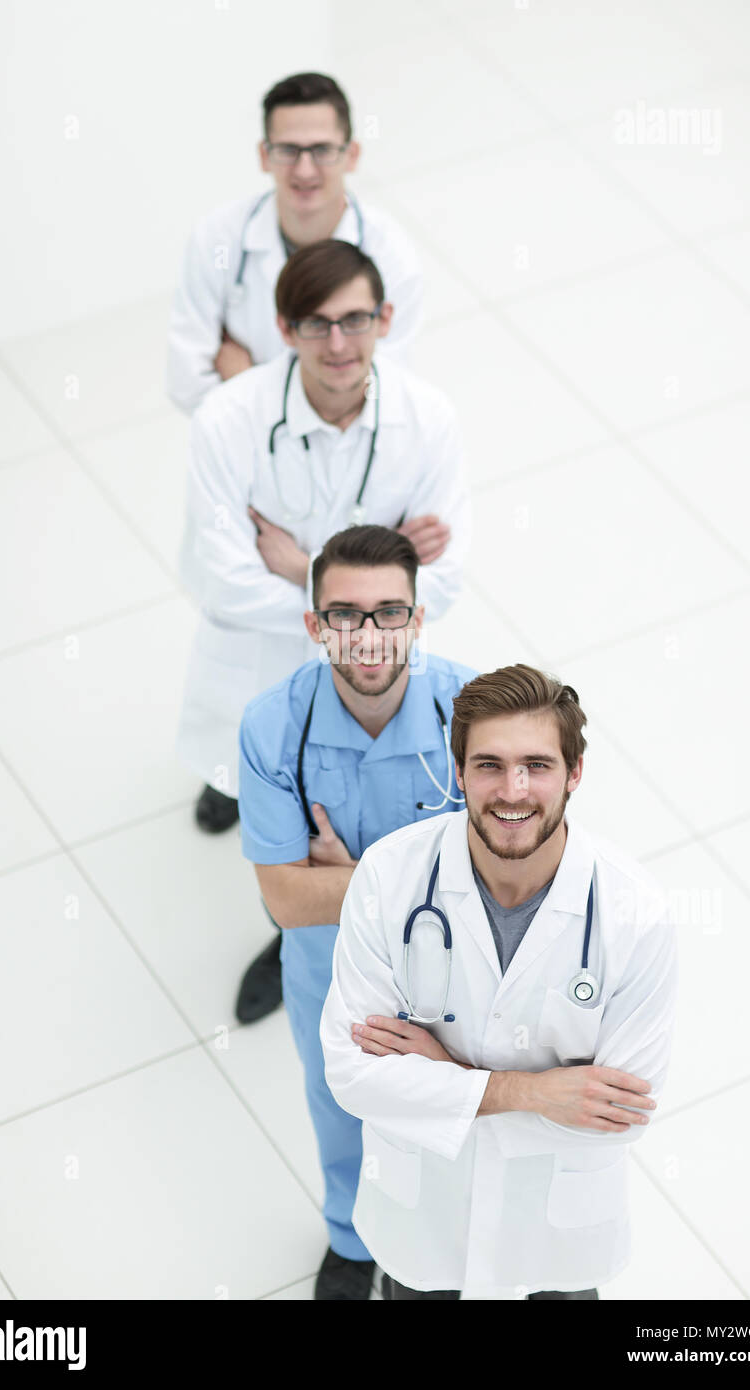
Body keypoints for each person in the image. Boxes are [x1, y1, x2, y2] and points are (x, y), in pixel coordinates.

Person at [176, 239, 468, 1020]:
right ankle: (229, 792)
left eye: (355, 321)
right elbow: (228, 579)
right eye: (316, 324)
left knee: (330, 823)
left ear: (384, 319)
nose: (338, 344)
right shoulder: (229, 420)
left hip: (365, 668)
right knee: (254, 770)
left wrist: (301, 569)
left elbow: (445, 578)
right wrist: (379, 582)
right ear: (285, 327)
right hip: (259, 652)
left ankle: (290, 940)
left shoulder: (428, 419)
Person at [320, 664, 679, 1300]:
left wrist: (445, 1083)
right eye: (489, 765)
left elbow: (620, 1116)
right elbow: (354, 1075)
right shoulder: (389, 876)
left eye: (537, 766)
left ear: (574, 773)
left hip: (556, 1232)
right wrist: (538, 1092)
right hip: (423, 1221)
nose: (513, 790)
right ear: (458, 773)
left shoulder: (634, 913)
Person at [237, 525, 477, 1299]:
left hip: (459, 968)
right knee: (340, 1103)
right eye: (345, 614)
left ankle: (447, 1229)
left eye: (388, 613)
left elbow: (513, 869)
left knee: (456, 1102)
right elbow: (282, 897)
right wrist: (425, 877)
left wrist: (349, 879)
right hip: (330, 970)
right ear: (314, 626)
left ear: (417, 618)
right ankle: (350, 1235)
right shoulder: (273, 727)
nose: (368, 637)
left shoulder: (471, 710)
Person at [166, 71, 422, 414]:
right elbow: (187, 383)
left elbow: (380, 396)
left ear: (352, 155)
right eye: (288, 150)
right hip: (246, 455)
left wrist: (243, 380)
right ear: (264, 155)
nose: (304, 170)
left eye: (321, 150)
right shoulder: (218, 240)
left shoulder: (391, 257)